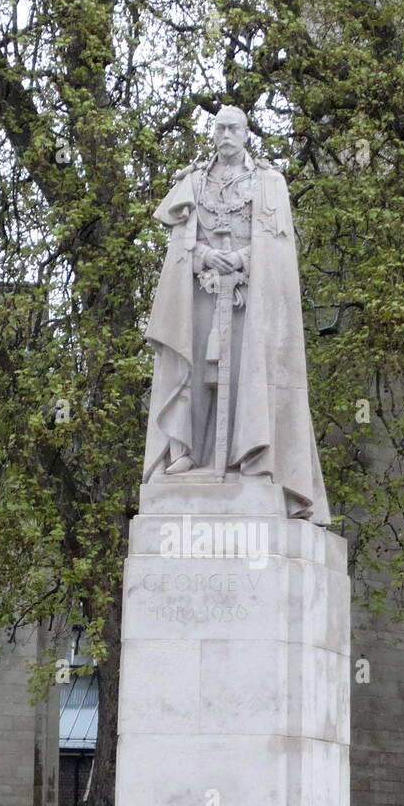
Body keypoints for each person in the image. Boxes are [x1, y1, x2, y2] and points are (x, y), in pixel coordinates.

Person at [142, 105, 330, 525]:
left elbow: (278, 250)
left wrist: (243, 258)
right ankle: (189, 452)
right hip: (202, 294)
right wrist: (207, 255)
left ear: (246, 133)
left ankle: (251, 458)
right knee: (197, 374)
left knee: (249, 377)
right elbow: (179, 247)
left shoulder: (269, 183)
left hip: (251, 298)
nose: (226, 134)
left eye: (234, 128)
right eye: (219, 128)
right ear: (213, 134)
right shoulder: (192, 182)